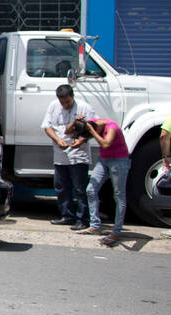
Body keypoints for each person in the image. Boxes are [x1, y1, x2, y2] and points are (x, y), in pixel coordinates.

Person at [68, 116, 131, 246]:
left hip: (119, 161)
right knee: (90, 190)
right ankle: (95, 226)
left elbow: (106, 144)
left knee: (119, 196)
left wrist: (92, 131)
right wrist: (76, 123)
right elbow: (67, 131)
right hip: (104, 160)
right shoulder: (92, 122)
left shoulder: (112, 127)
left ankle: (116, 231)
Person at [42, 84, 95, 229]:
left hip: (78, 153)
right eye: (62, 102)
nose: (65, 105)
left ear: (73, 97)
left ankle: (83, 219)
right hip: (60, 154)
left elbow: (93, 129)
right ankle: (67, 215)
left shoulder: (85, 108)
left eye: (68, 102)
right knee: (61, 186)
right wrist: (58, 140)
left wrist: (82, 140)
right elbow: (47, 126)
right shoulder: (53, 106)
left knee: (80, 188)